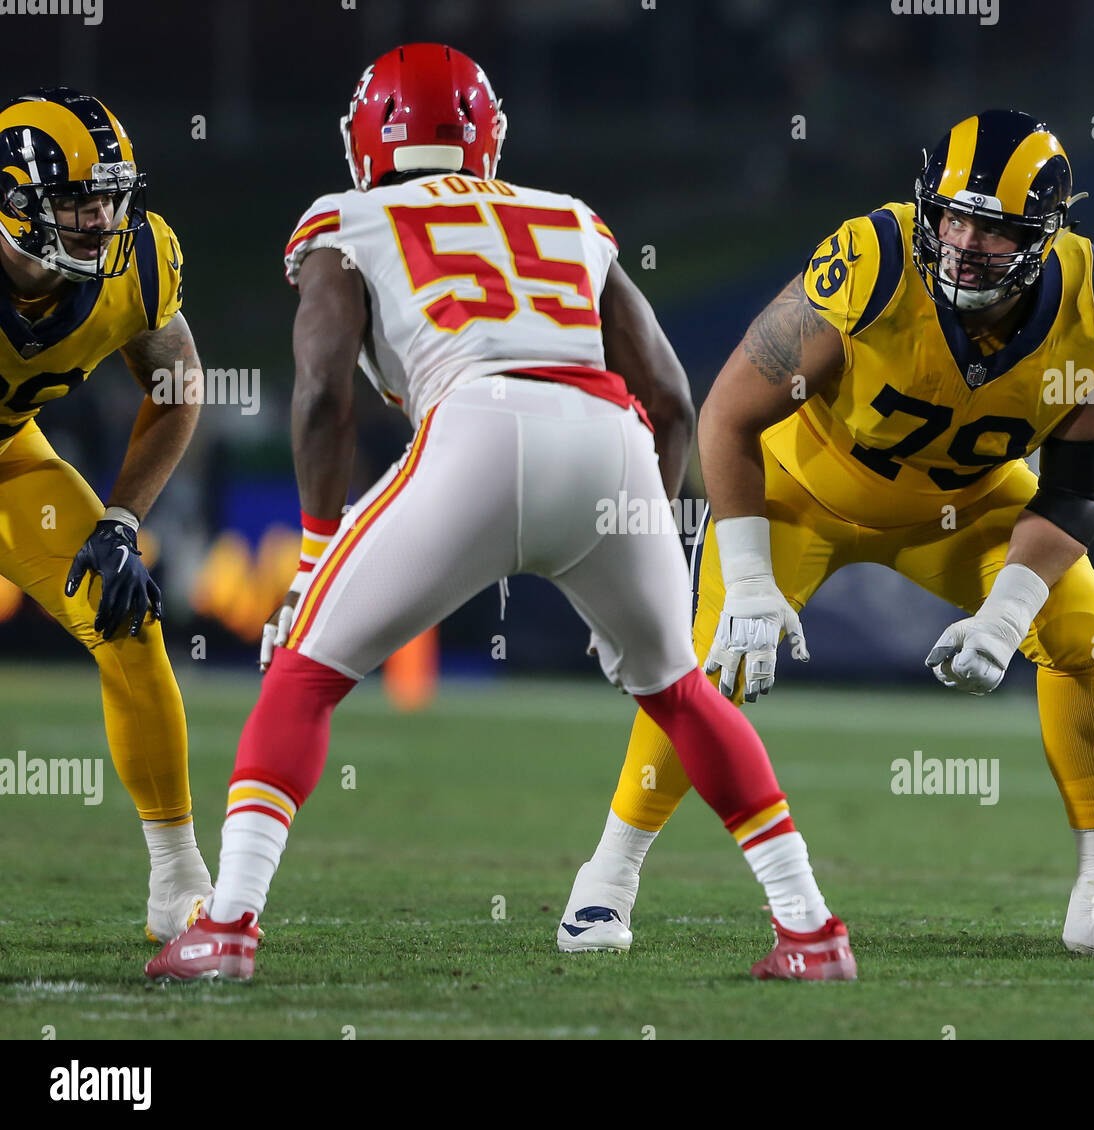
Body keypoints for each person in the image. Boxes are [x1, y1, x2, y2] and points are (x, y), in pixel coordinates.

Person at [147, 43, 854, 983]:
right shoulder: (567, 218)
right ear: (488, 135)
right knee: (679, 691)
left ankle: (226, 926)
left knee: (304, 672)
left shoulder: (346, 220)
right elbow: (675, 397)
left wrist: (317, 553)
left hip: (474, 427)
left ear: (366, 139)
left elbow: (321, 394)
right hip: (610, 433)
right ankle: (810, 931)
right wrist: (644, 531)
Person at [559, 109, 1094, 958]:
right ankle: (605, 882)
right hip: (807, 488)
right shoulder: (876, 262)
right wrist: (750, 579)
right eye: (953, 215)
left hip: (966, 503)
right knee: (717, 652)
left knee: (1080, 626)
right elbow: (728, 414)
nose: (965, 242)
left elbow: (1081, 491)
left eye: (995, 229)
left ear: (1046, 236)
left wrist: (1005, 617)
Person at [0, 87, 210, 941]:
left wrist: (122, 520)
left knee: (124, 613)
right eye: (75, 203)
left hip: (9, 455)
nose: (98, 220)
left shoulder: (138, 266)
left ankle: (178, 879)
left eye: (108, 198)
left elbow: (177, 384)